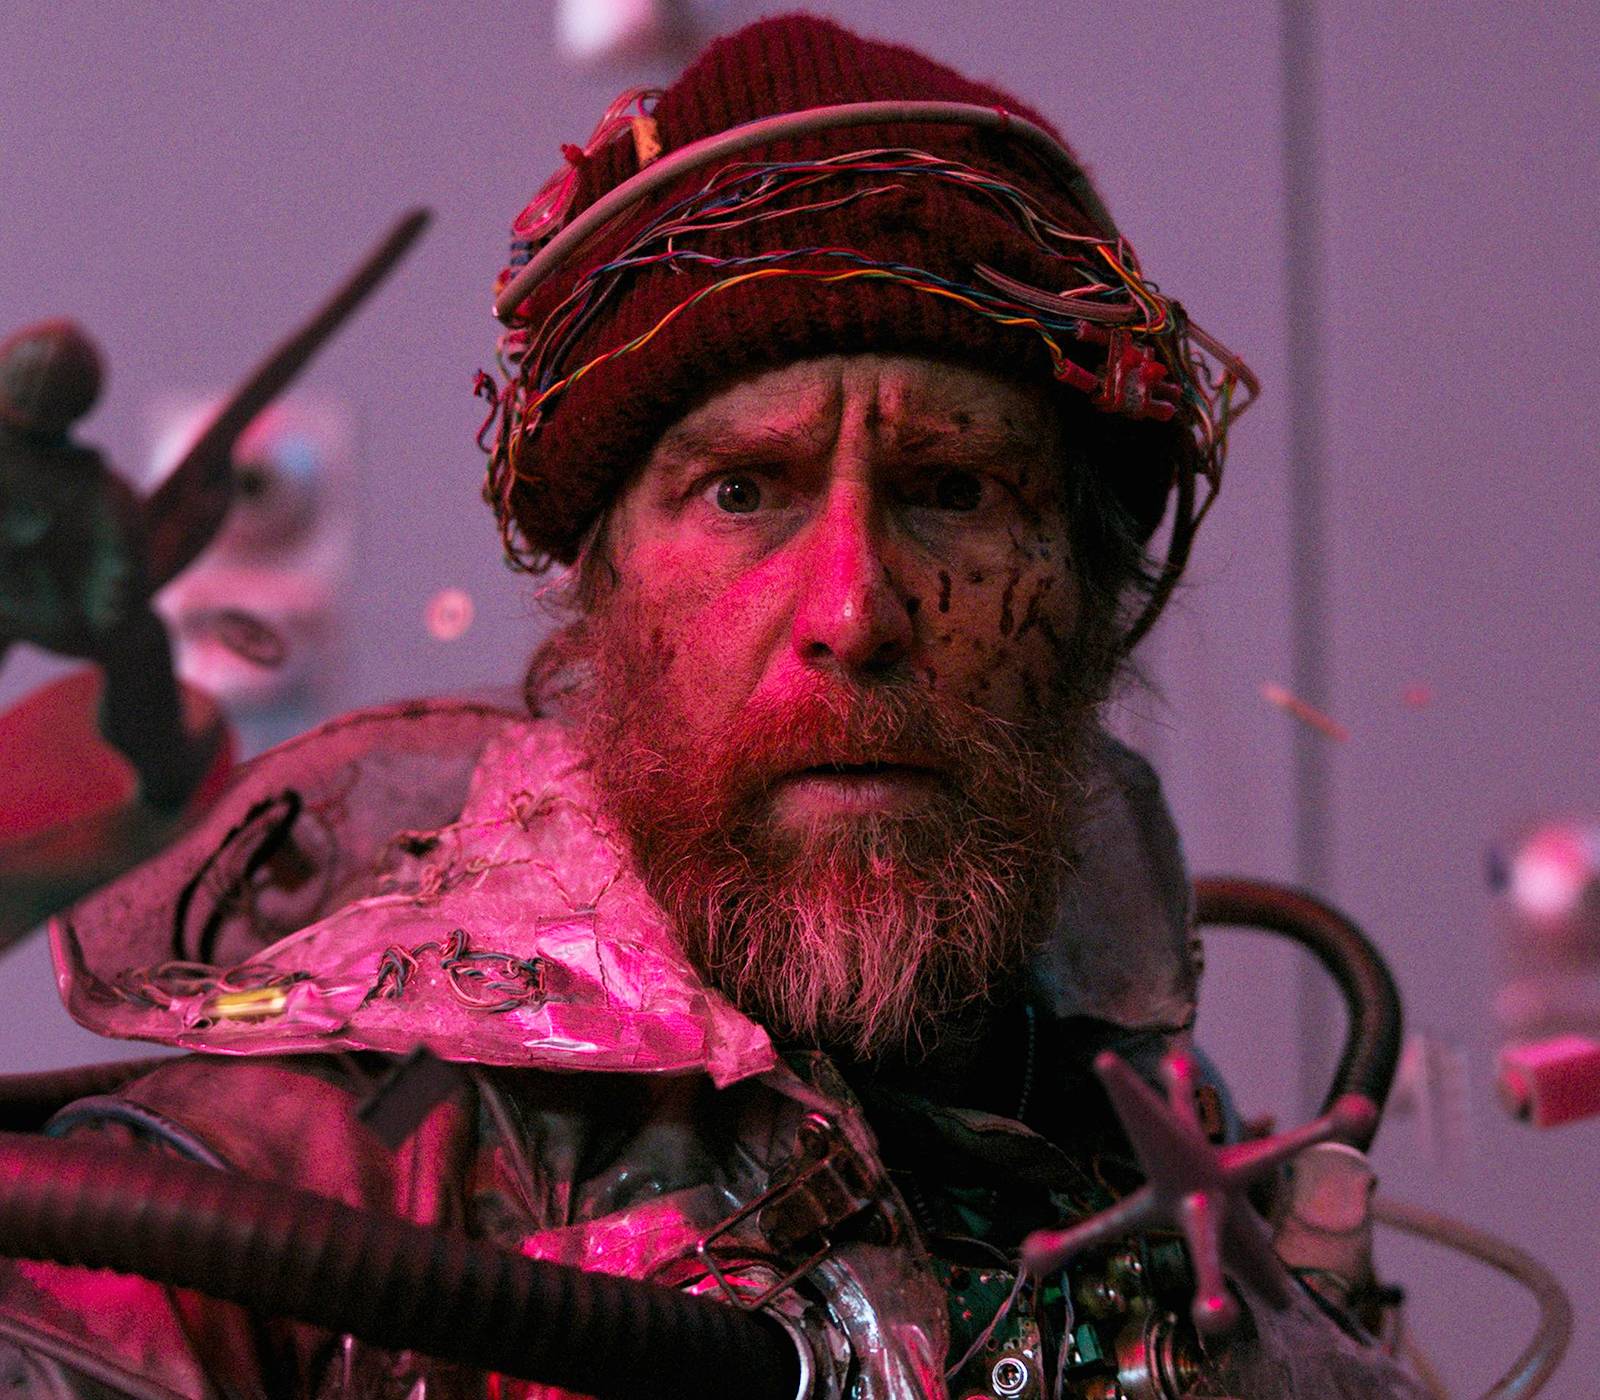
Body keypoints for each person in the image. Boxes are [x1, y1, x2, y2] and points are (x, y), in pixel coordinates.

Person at [0, 16, 1427, 1398]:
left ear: (1096, 598)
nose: (854, 613)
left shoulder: (1152, 1138)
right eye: (743, 491)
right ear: (598, 600)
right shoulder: (311, 1186)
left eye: (953, 489)